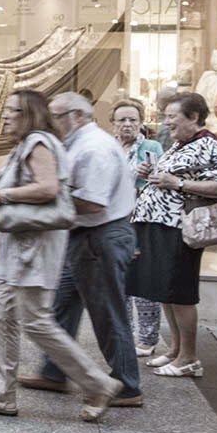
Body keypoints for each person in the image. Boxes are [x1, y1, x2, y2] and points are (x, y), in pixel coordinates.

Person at [0, 90, 122, 420]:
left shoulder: (39, 142)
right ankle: (2, 394)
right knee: (1, 319)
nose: (6, 116)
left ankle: (98, 385)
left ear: (31, 114)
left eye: (14, 111)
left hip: (33, 252)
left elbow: (48, 188)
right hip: (18, 251)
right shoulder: (26, 144)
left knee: (36, 322)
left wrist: (1, 196)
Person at [20, 92, 142, 406]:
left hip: (100, 237)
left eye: (55, 116)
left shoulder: (93, 148)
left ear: (77, 116)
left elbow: (92, 201)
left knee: (107, 313)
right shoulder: (77, 144)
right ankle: (54, 371)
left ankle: (128, 386)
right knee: (61, 305)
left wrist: (43, 203)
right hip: (84, 237)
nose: (49, 122)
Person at [130, 93, 217, 377]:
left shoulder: (209, 144)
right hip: (161, 225)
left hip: (179, 227)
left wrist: (177, 183)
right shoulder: (181, 144)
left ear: (194, 117)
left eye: (172, 116)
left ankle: (189, 358)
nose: (166, 121)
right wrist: (152, 172)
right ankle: (175, 350)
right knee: (167, 291)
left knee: (180, 292)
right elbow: (172, 178)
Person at [111, 100, 165, 357]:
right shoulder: (109, 147)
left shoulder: (151, 147)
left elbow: (160, 182)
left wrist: (147, 174)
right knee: (118, 282)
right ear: (113, 123)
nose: (127, 124)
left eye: (133, 119)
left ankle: (147, 338)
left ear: (141, 122)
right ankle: (123, 334)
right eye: (122, 120)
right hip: (113, 222)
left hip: (141, 222)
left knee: (143, 280)